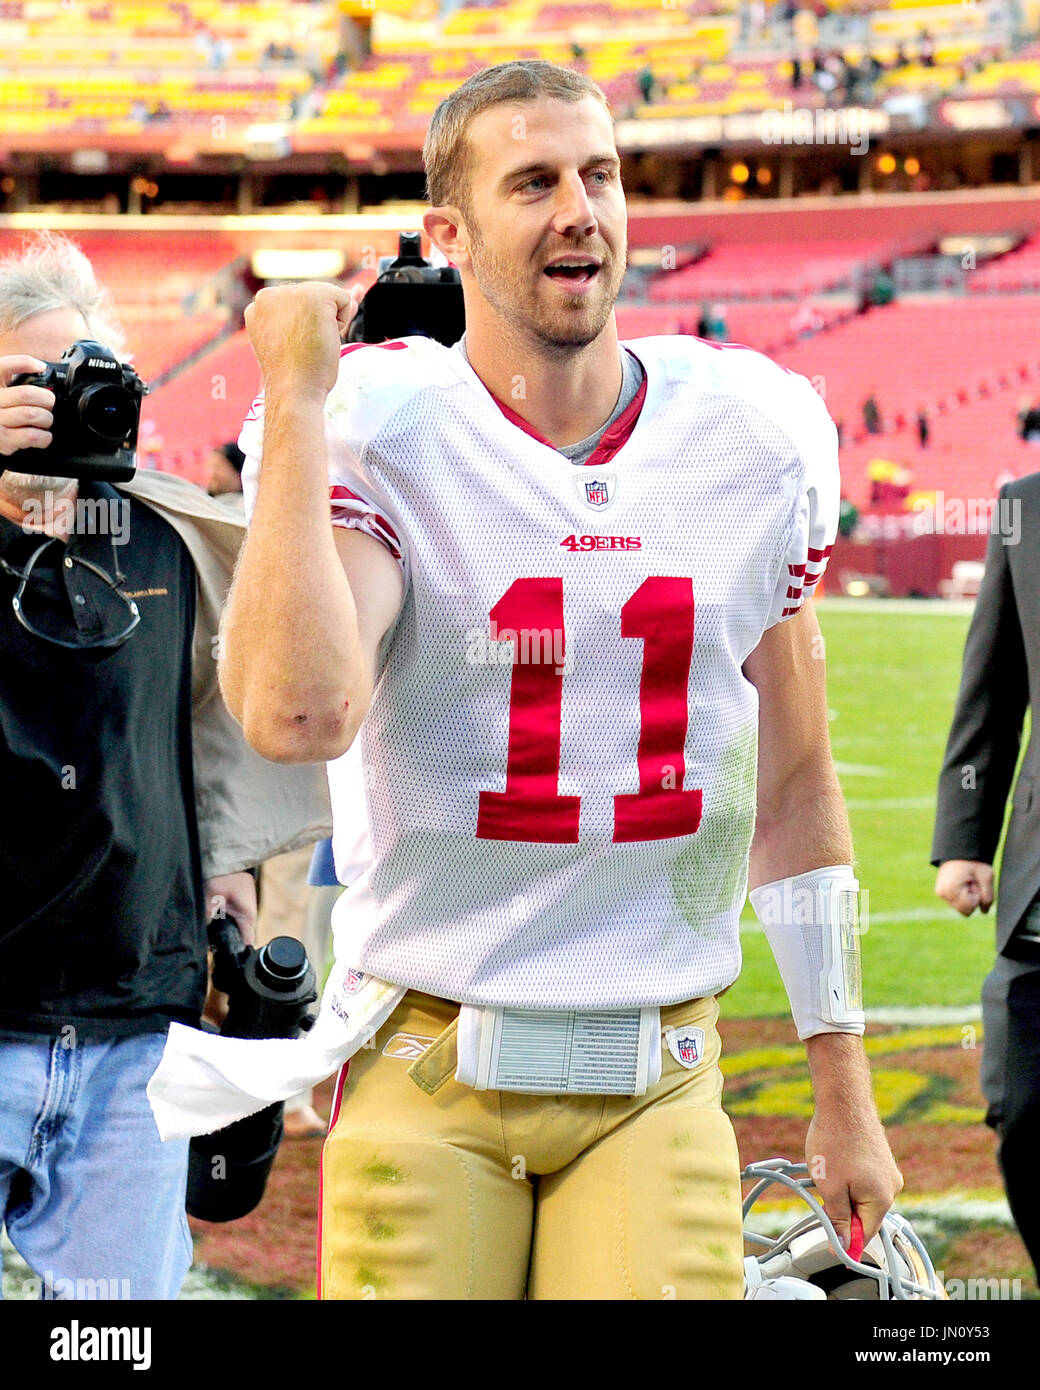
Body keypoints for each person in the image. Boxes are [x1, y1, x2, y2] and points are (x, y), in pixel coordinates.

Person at [223, 59, 901, 1300]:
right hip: (429, 1059)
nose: (577, 208)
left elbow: (796, 786)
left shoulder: (747, 435)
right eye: (531, 181)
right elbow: (294, 709)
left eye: (598, 174)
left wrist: (840, 1089)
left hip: (657, 1070)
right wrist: (293, 397)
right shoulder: (389, 428)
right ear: (448, 235)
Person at [0, 232, 329, 1300]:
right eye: (27, 381)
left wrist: (226, 867)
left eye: (82, 376)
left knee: (114, 1332)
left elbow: (210, 718)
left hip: (134, 1023)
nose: (60, 401)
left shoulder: (169, 542)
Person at [932, 473, 1040, 1278]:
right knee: (1025, 1112)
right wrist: (965, 836)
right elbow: (995, 682)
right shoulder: (1022, 503)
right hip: (1039, 883)